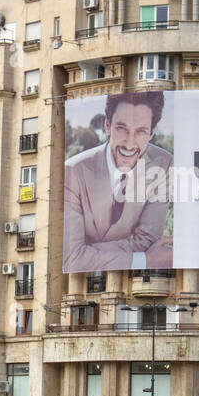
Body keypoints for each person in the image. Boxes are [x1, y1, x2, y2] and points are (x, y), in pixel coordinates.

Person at [62, 92, 173, 272]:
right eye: (122, 128)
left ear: (152, 133)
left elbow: (148, 240)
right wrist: (143, 261)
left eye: (141, 131)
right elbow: (71, 259)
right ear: (107, 125)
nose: (129, 143)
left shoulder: (163, 163)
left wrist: (85, 252)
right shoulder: (73, 171)